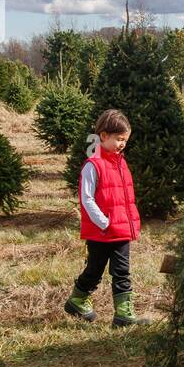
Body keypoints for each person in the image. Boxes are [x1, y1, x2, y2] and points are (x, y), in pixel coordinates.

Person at [64, 108, 150, 328]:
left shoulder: (121, 163)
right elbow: (86, 199)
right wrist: (105, 223)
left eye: (125, 140)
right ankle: (77, 300)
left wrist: (130, 222)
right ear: (103, 136)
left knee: (122, 271)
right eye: (119, 139)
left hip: (119, 231)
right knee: (94, 269)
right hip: (103, 231)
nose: (122, 144)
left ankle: (123, 315)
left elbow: (125, 198)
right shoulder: (93, 165)